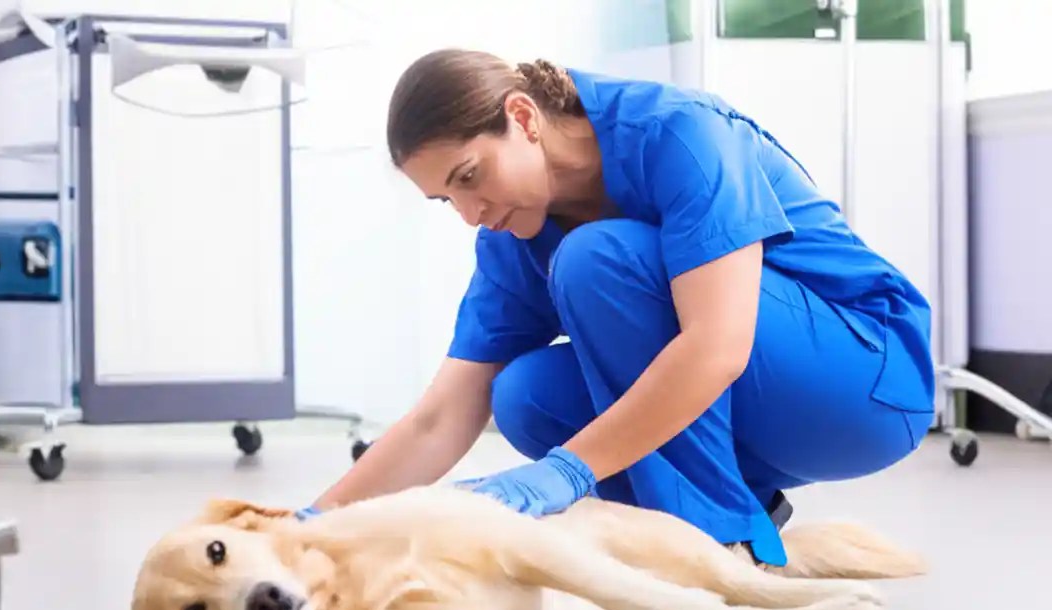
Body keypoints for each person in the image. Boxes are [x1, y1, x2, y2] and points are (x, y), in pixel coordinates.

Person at [299, 49, 936, 566]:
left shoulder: (681, 133)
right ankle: (703, 526)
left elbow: (718, 346)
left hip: (866, 381)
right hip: (764, 413)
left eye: (469, 176)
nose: (471, 216)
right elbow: (443, 416)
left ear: (522, 117)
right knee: (524, 394)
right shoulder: (512, 235)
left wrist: (567, 472)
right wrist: (308, 529)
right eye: (447, 201)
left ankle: (716, 542)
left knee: (598, 257)